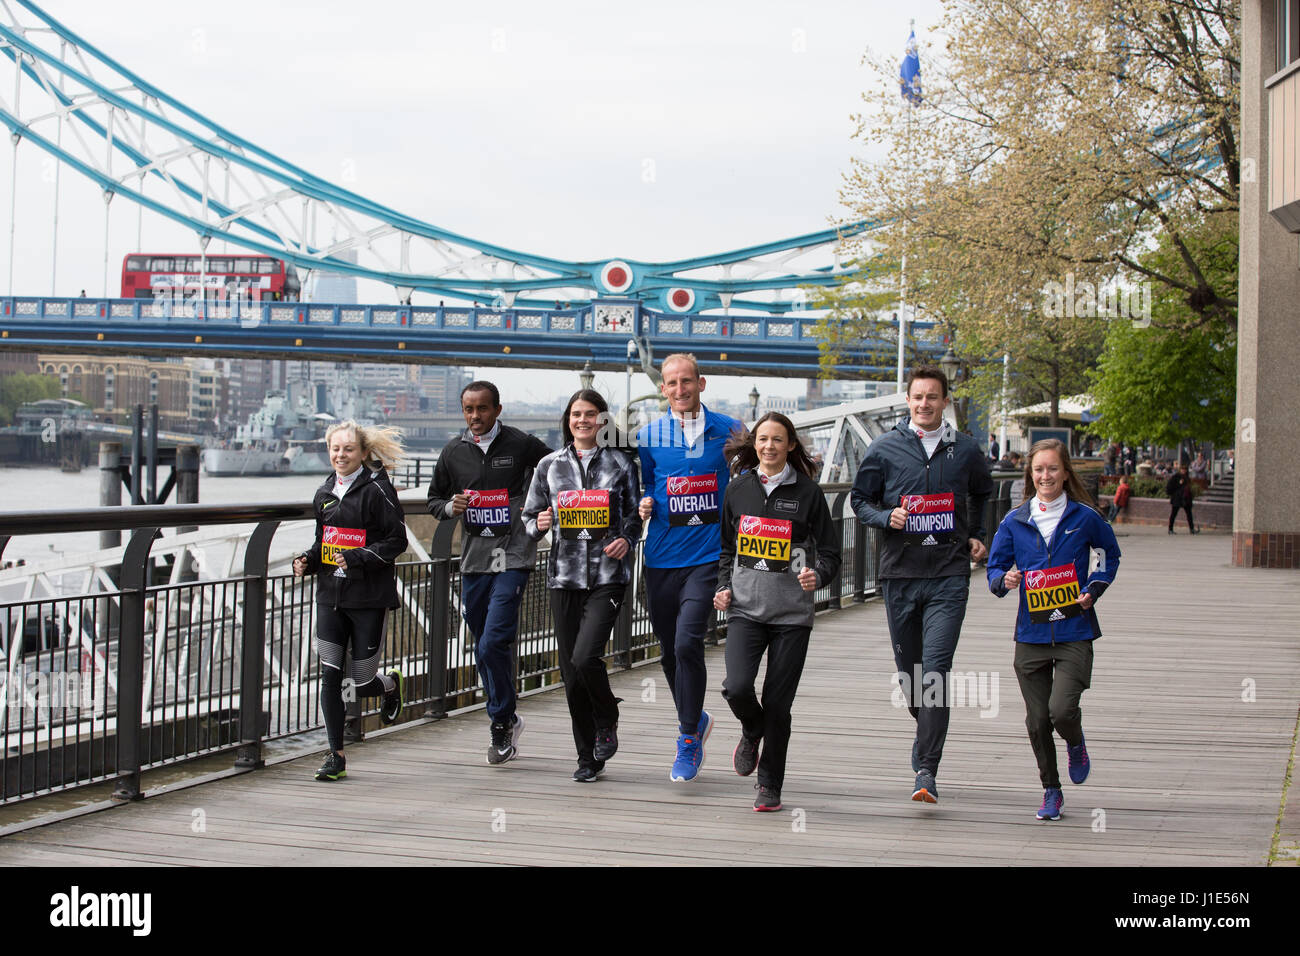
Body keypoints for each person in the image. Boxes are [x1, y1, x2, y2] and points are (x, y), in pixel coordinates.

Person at [850, 365, 993, 804]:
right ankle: (926, 731)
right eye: (918, 397)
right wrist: (883, 516)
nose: (925, 404)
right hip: (900, 575)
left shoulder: (966, 449)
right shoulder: (885, 448)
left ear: (945, 401)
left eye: (933, 397)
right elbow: (859, 500)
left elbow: (984, 494)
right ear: (907, 401)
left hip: (948, 575)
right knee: (912, 680)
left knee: (935, 671)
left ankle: (926, 771)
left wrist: (980, 536)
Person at [986, 439, 1121, 821]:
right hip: (1030, 635)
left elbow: (1109, 554)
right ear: (1031, 474)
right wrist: (1005, 579)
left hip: (1075, 630)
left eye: (1053, 469)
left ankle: (1075, 742)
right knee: (1037, 720)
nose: (1046, 476)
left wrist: (1094, 588)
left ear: (1065, 473)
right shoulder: (1014, 521)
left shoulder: (1084, 517)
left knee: (1061, 711)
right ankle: (1051, 790)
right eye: (1039, 469)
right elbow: (994, 570)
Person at [714, 413, 841, 811]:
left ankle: (769, 784)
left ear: (790, 445)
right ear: (754, 444)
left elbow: (832, 552)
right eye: (762, 439)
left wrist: (817, 575)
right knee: (736, 687)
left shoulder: (808, 493)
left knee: (779, 705)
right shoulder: (738, 489)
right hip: (746, 611)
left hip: (791, 616)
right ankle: (752, 728)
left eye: (778, 440)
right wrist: (722, 586)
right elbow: (725, 550)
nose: (769, 446)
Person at [427, 381, 552, 765]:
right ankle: (509, 715)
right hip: (474, 561)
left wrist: (541, 511)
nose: (475, 416)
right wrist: (451, 507)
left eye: (482, 409)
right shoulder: (453, 452)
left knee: (492, 642)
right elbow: (434, 499)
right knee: (483, 642)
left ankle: (500, 722)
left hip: (513, 556)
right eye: (468, 409)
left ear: (497, 409)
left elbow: (559, 470)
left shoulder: (521, 444)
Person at [522, 390, 641, 782]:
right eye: (577, 414)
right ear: (567, 420)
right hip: (564, 577)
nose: (583, 420)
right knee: (571, 672)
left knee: (585, 656)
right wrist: (537, 525)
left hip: (608, 576)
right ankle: (587, 756)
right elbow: (528, 517)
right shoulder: (548, 466)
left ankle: (607, 716)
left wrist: (627, 536)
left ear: (603, 421)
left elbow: (634, 518)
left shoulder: (622, 464)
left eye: (591, 414)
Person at [636, 353, 742, 782]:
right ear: (663, 389)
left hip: (706, 556)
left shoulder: (731, 430)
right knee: (667, 651)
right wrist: (643, 502)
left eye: (686, 381)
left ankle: (687, 740)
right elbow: (644, 485)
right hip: (661, 556)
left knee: (686, 644)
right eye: (671, 383)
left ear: (702, 383)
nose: (679, 390)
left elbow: (754, 476)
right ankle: (695, 717)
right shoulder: (648, 435)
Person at [293, 421, 408, 782]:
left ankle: (389, 685)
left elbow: (396, 542)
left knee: (359, 679)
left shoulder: (377, 489)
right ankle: (335, 755)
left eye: (348, 450)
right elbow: (322, 544)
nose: (340, 456)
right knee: (330, 673)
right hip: (330, 596)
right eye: (334, 449)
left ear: (362, 453)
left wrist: (357, 557)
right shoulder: (324, 492)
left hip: (367, 596)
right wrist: (308, 562)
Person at [1166, 463, 1198, 534]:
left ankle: (1192, 529)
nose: (1184, 471)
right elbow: (1170, 487)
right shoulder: (1175, 477)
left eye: (1185, 470)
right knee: (1174, 513)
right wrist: (1179, 484)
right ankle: (1170, 529)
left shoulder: (1187, 478)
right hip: (1177, 498)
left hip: (1185, 498)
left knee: (1189, 514)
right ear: (1180, 470)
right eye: (1182, 469)